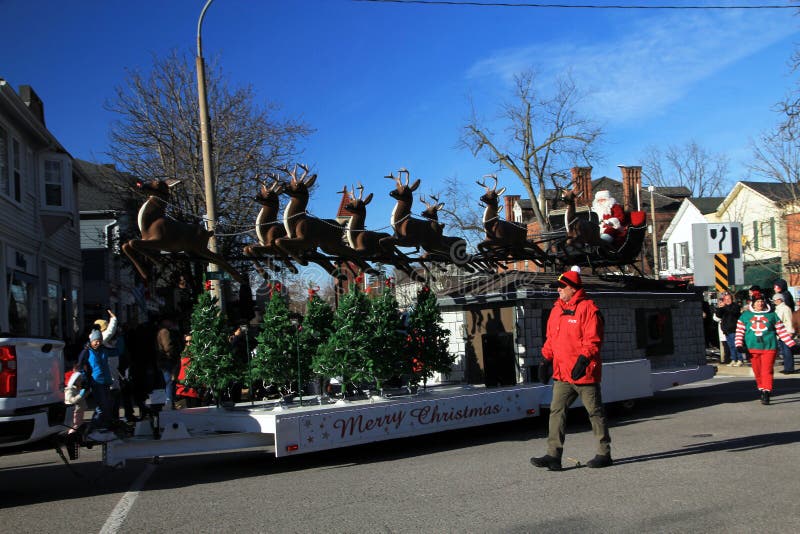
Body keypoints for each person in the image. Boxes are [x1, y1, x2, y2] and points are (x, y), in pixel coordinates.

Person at [530, 267, 611, 471]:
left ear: (573, 288)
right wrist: (545, 360)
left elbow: (593, 341)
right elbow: (551, 339)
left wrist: (583, 361)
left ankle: (604, 454)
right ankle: (553, 456)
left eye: (561, 286)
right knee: (556, 412)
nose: (558, 289)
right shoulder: (556, 309)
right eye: (557, 286)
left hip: (584, 373)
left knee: (595, 413)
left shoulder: (588, 309)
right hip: (562, 374)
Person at [735, 295, 795, 405]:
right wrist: (739, 344)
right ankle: (761, 388)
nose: (760, 303)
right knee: (757, 371)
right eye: (757, 301)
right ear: (753, 303)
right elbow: (739, 331)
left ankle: (767, 392)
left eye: (761, 301)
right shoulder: (745, 316)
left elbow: (781, 331)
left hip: (769, 347)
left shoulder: (772, 315)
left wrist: (791, 344)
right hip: (752, 348)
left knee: (767, 370)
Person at [78, 329, 115, 429]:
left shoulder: (103, 350)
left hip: (106, 381)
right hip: (96, 382)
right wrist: (84, 379)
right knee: (103, 405)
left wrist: (110, 344)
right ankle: (97, 425)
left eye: (100, 341)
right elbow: (80, 366)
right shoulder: (86, 352)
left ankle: (98, 426)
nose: (98, 343)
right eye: (96, 341)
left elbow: (117, 351)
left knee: (104, 405)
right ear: (91, 340)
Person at [156, 316, 182, 410]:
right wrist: (172, 355)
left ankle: (169, 403)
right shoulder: (165, 331)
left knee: (168, 382)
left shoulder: (161, 331)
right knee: (170, 382)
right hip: (167, 361)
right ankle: (169, 403)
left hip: (164, 360)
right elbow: (168, 347)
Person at [715, 292, 741, 366]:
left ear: (732, 299)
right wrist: (720, 308)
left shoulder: (735, 306)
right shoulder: (724, 308)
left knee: (736, 345)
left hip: (734, 329)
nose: (727, 300)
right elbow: (718, 315)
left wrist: (724, 307)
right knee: (731, 346)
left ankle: (739, 359)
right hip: (726, 330)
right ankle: (733, 359)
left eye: (729, 299)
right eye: (725, 299)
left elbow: (733, 312)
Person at [772, 293, 796, 374]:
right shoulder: (777, 309)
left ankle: (789, 368)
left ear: (780, 300)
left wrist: (790, 331)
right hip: (780, 333)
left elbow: (789, 320)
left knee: (787, 351)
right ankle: (787, 367)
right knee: (784, 351)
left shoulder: (785, 308)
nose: (774, 301)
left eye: (775, 300)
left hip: (786, 332)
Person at [64, 362, 88, 434]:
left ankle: (80, 437)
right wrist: (80, 395)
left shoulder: (77, 389)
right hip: (76, 411)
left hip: (82, 410)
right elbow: (71, 401)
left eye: (80, 379)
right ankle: (71, 437)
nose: (80, 381)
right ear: (74, 380)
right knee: (75, 427)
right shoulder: (69, 390)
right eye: (79, 380)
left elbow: (81, 399)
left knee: (82, 425)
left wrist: (86, 393)